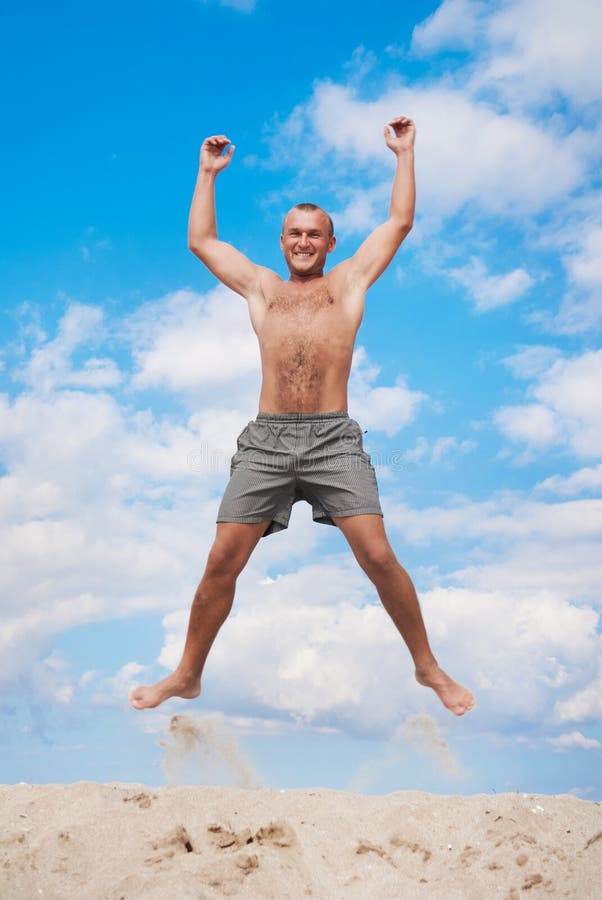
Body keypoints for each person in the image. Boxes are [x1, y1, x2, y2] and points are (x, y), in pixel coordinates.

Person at [130, 117, 475, 716]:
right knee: (221, 559)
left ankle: (427, 666)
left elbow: (399, 222)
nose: (304, 242)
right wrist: (207, 174)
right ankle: (187, 674)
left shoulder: (349, 283)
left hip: (332, 438)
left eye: (314, 234)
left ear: (331, 243)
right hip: (266, 441)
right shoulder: (263, 289)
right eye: (294, 233)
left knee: (377, 554)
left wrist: (405, 154)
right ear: (282, 241)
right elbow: (203, 242)